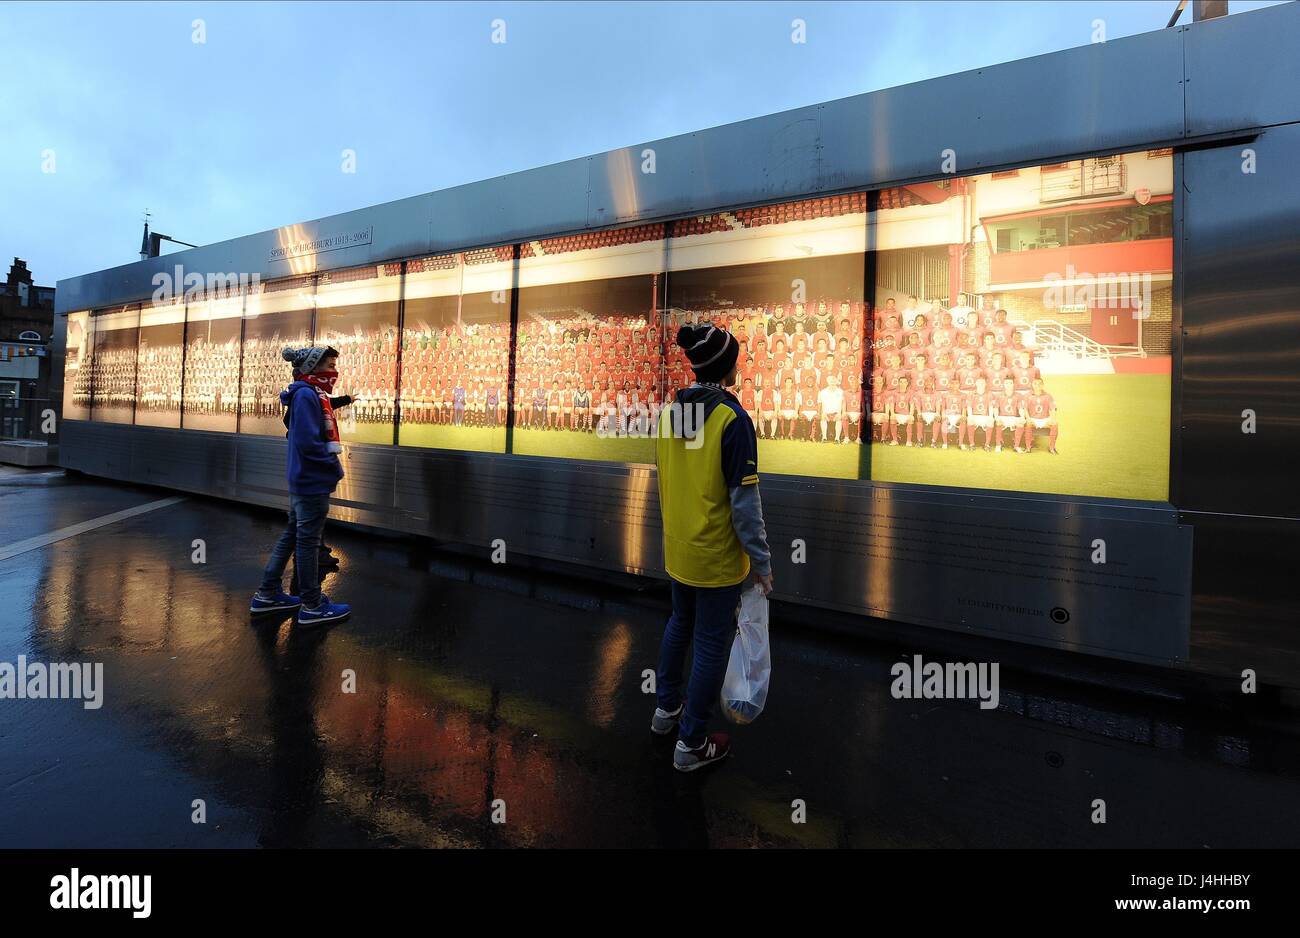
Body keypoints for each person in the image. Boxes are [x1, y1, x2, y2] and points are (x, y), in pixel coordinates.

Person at [652, 323, 773, 772]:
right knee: (709, 644)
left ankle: (666, 712)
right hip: (717, 558)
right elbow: (745, 505)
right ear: (726, 366)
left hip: (679, 552)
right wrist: (762, 564)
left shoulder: (670, 414)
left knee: (679, 625)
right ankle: (692, 744)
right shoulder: (731, 419)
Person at [250, 346, 352, 625]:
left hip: (302, 478)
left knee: (292, 536)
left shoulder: (305, 393)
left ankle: (267, 594)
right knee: (307, 543)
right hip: (311, 480)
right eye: (329, 365)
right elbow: (309, 442)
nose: (333, 371)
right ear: (313, 367)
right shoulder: (308, 395)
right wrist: (332, 465)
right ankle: (312, 604)